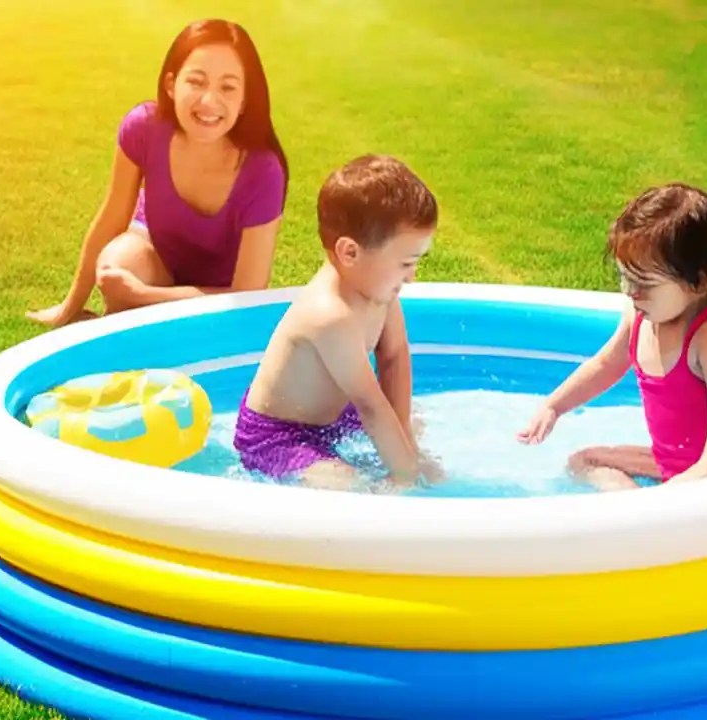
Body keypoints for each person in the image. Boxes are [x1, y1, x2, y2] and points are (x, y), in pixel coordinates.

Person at [517, 183, 707, 491]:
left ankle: (646, 517)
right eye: (625, 277)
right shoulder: (638, 314)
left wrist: (700, 478)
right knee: (586, 461)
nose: (630, 291)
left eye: (644, 283)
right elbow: (605, 365)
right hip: (673, 466)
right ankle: (638, 509)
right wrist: (554, 406)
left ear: (699, 282)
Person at [28, 19, 288, 326]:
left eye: (227, 87)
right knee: (118, 265)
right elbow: (111, 218)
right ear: (171, 85)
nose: (209, 101)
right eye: (196, 82)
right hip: (157, 255)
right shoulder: (144, 129)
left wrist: (142, 295)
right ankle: (109, 332)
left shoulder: (263, 172)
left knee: (168, 326)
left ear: (244, 100)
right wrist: (69, 307)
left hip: (220, 293)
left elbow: (247, 296)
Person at [233, 154, 442, 491]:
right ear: (350, 253)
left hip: (337, 416)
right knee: (348, 487)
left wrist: (407, 446)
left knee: (414, 425)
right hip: (278, 434)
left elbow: (394, 356)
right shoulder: (329, 314)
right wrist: (406, 478)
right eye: (405, 263)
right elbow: (372, 407)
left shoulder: (377, 288)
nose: (412, 276)